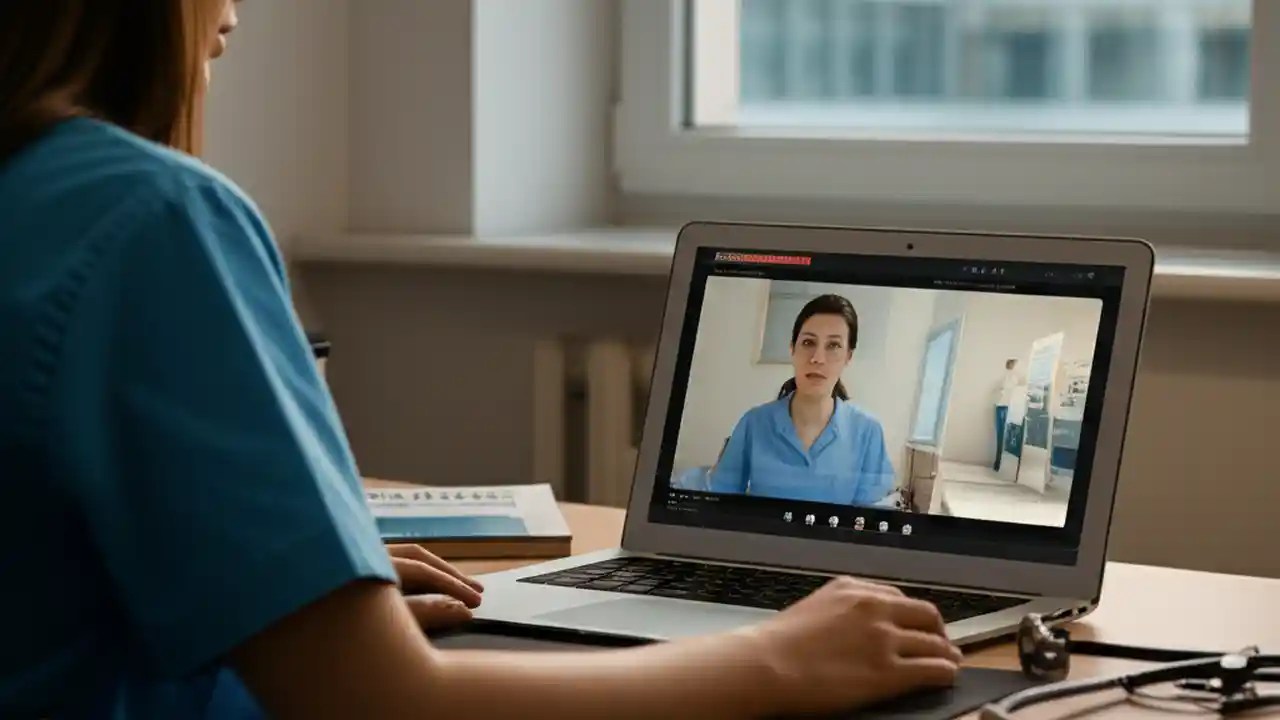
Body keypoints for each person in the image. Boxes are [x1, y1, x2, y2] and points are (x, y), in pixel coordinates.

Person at [0, 2, 962, 717]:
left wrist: (295, 600)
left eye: (836, 343)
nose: (234, 12)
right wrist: (782, 660)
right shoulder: (152, 222)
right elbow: (385, 705)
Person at [709, 294, 896, 506]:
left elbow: (869, 522)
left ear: (848, 357)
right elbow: (719, 505)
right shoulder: (754, 424)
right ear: (792, 349)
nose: (817, 358)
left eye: (833, 346)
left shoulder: (868, 432)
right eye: (808, 342)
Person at [993, 358, 1022, 471]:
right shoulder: (1013, 378)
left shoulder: (1005, 377)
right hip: (1007, 409)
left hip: (1001, 407)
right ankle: (1000, 464)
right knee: (1006, 438)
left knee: (1001, 437)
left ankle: (998, 463)